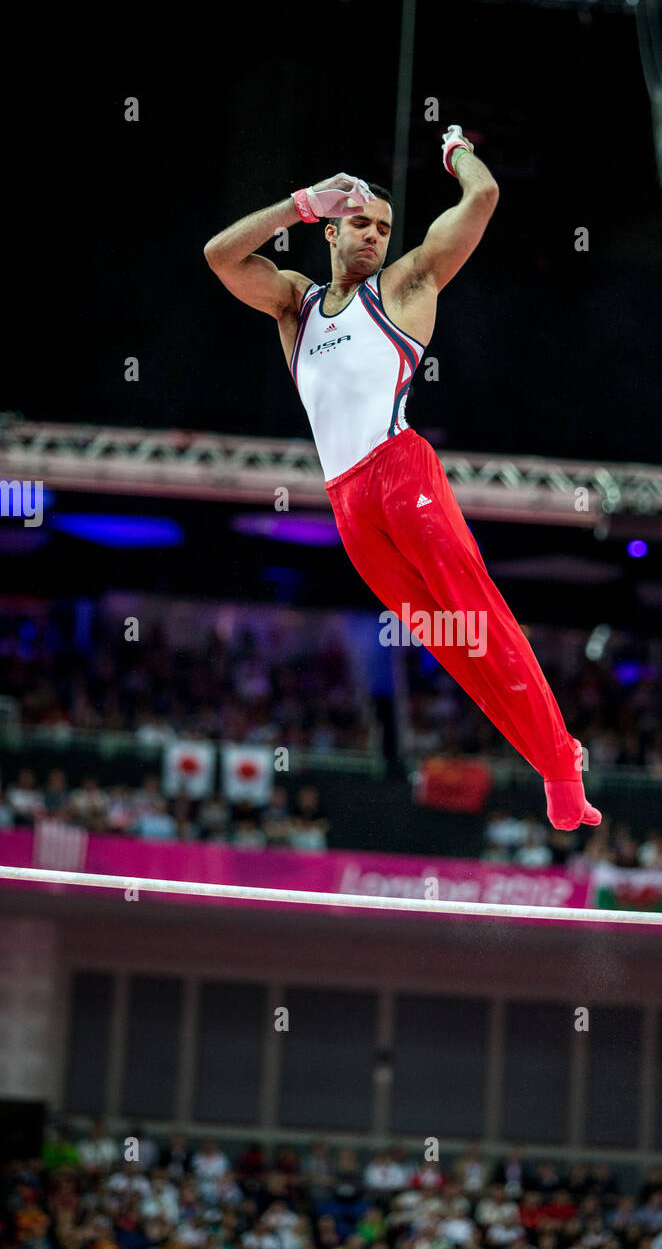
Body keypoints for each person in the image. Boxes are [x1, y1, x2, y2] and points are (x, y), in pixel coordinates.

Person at [204, 130, 601, 833]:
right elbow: (219, 255)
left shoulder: (406, 283)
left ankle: (561, 769)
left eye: (384, 227)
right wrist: (295, 205)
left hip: (400, 470)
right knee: (453, 644)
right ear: (330, 228)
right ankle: (553, 757)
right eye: (361, 223)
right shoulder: (294, 305)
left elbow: (484, 196)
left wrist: (457, 149)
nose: (376, 237)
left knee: (480, 615)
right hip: (349, 509)